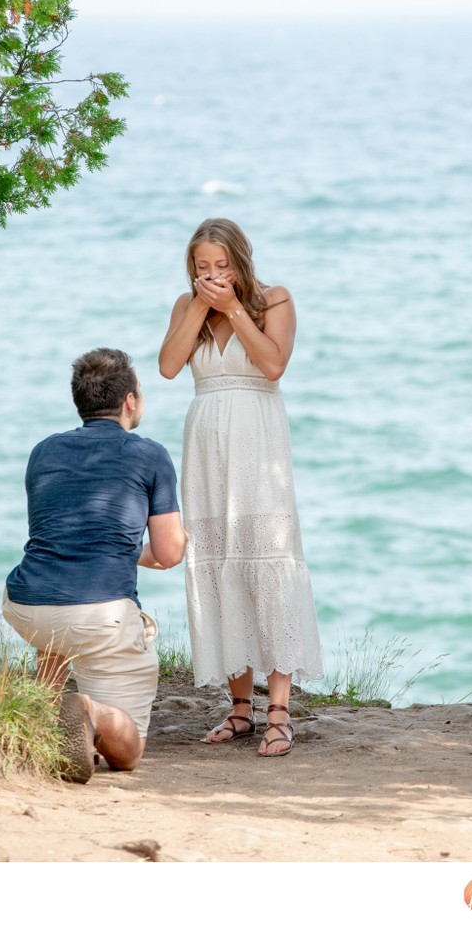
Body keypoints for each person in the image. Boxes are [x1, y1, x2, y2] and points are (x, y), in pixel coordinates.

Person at [159, 218, 323, 757]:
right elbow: (167, 367)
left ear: (240, 262)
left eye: (222, 266)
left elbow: (273, 365)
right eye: (202, 268)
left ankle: (278, 709)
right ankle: (239, 708)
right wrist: (204, 308)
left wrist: (232, 308)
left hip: (258, 442)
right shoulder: (188, 308)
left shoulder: (273, 300)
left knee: (267, 565)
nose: (212, 275)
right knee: (218, 562)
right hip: (207, 446)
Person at [2, 348, 187, 781]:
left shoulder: (43, 451)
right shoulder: (149, 455)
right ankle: (85, 710)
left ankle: (43, 710)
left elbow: (64, 539)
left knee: (58, 621)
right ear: (130, 400)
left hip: (26, 604)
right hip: (99, 617)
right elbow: (169, 553)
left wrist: (122, 550)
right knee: (128, 751)